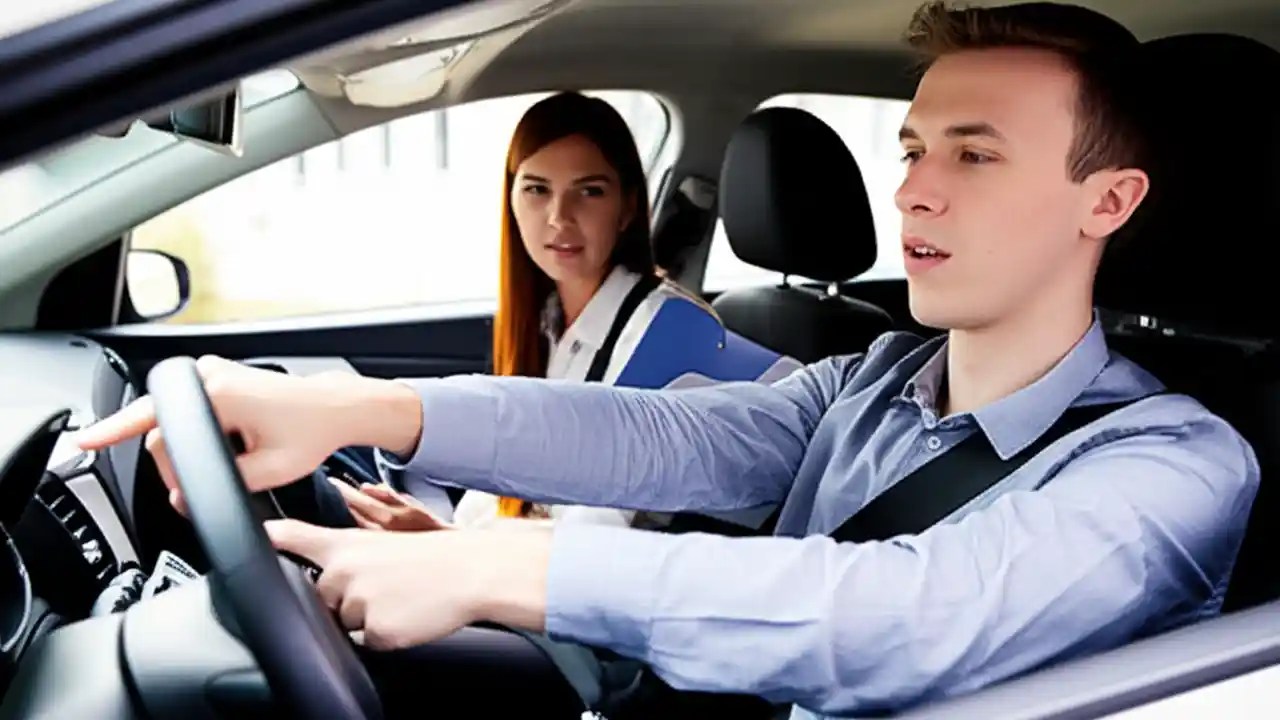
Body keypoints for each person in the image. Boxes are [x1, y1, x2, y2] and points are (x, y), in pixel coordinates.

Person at [76, 2, 1260, 718]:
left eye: (974, 155)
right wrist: (357, 407)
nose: (911, 190)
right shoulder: (874, 379)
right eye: (907, 148)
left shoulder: (1177, 463)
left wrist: (509, 566)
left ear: (1104, 201)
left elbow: (906, 615)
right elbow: (656, 438)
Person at [329, 91, 719, 532]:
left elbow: (602, 533)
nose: (559, 217)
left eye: (589, 191)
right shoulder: (547, 317)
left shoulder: (672, 332)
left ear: (628, 207)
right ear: (511, 198)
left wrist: (443, 542)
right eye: (537, 189)